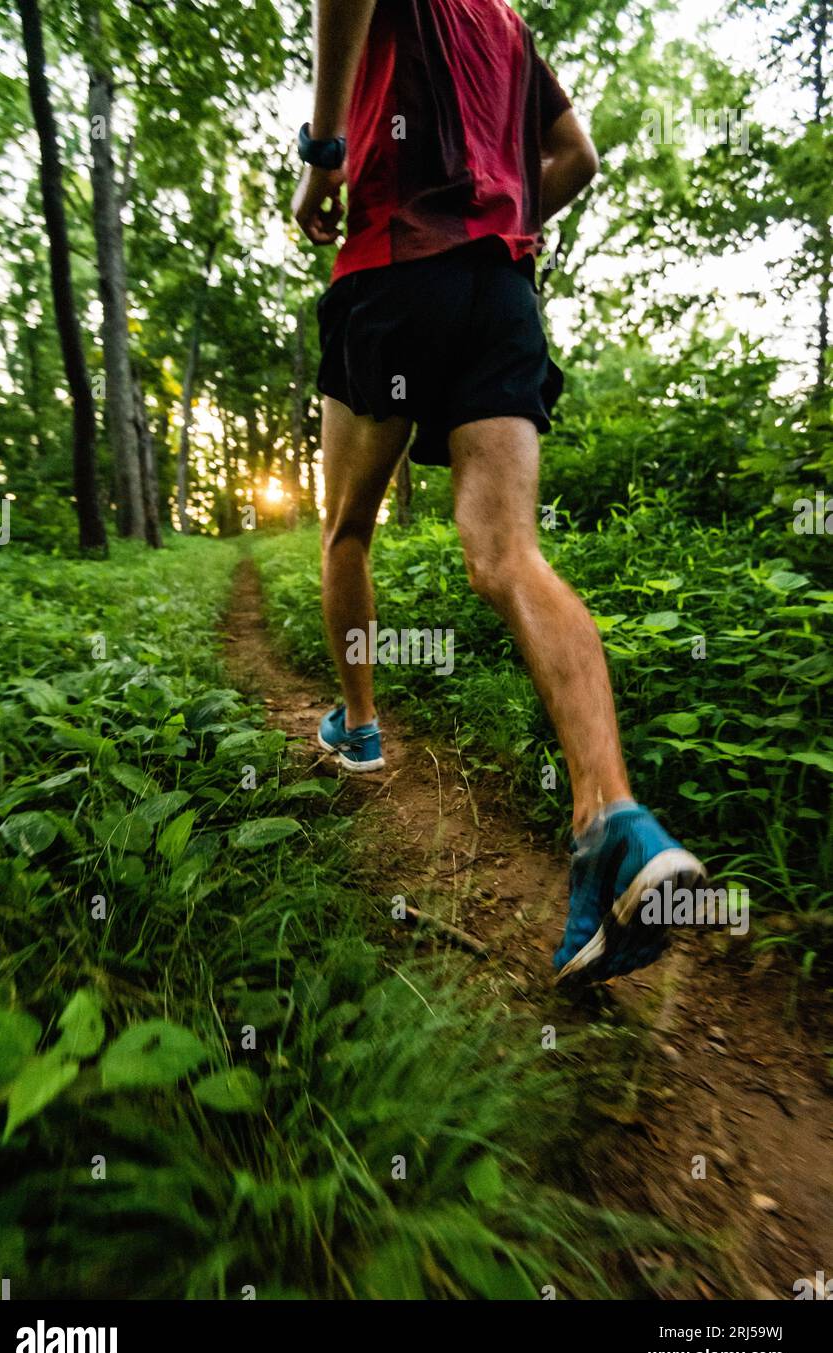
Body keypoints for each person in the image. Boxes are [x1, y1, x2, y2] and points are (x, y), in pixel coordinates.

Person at [292, 0, 707, 985]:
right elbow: (577, 157)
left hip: (395, 265)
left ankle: (356, 728)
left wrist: (325, 155)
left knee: (346, 528)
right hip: (502, 291)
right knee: (508, 553)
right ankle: (615, 822)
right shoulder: (510, 29)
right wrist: (510, 219)